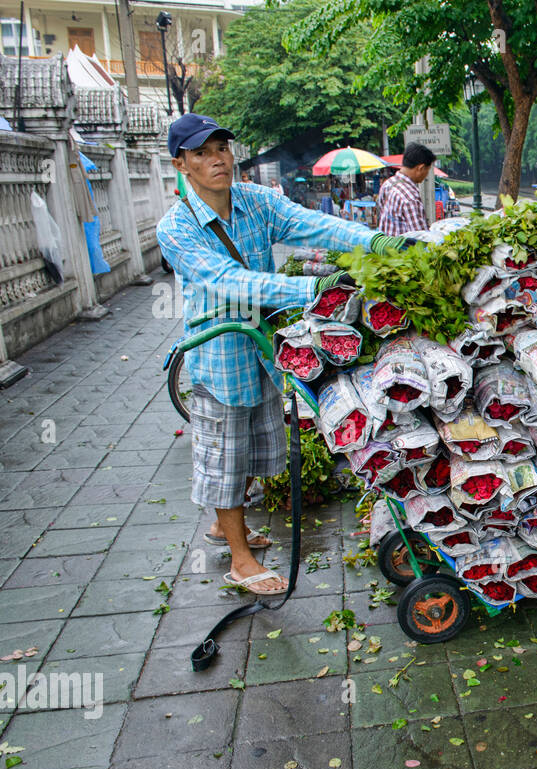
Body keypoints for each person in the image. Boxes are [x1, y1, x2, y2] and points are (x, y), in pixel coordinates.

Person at [156, 114, 411, 595]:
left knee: (255, 446)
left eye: (222, 148)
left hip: (262, 346)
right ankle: (239, 559)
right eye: (202, 153)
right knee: (224, 458)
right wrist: (312, 287)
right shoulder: (176, 228)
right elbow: (226, 280)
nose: (217, 160)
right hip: (220, 351)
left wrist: (375, 241)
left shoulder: (254, 202)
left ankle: (224, 525)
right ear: (182, 164)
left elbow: (312, 225)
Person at [379, 143, 434, 234]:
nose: (426, 175)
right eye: (427, 170)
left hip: (385, 245)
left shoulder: (388, 184)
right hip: (403, 248)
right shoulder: (410, 197)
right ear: (421, 168)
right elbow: (421, 237)